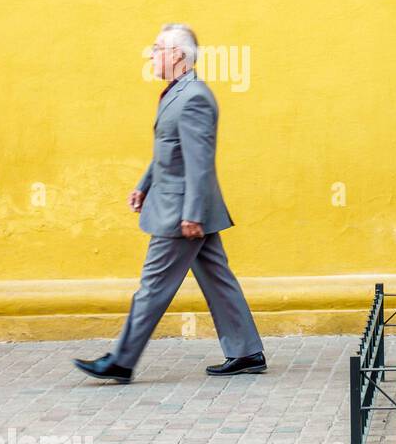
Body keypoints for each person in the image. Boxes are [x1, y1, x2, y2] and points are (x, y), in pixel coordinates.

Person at [73, 23, 265, 383]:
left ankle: (121, 361)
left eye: (157, 48)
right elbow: (169, 149)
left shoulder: (194, 97)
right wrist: (144, 185)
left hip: (181, 213)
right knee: (217, 277)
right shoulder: (176, 93)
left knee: (152, 287)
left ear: (178, 55)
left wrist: (192, 214)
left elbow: (200, 162)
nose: (151, 54)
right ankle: (246, 351)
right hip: (179, 204)